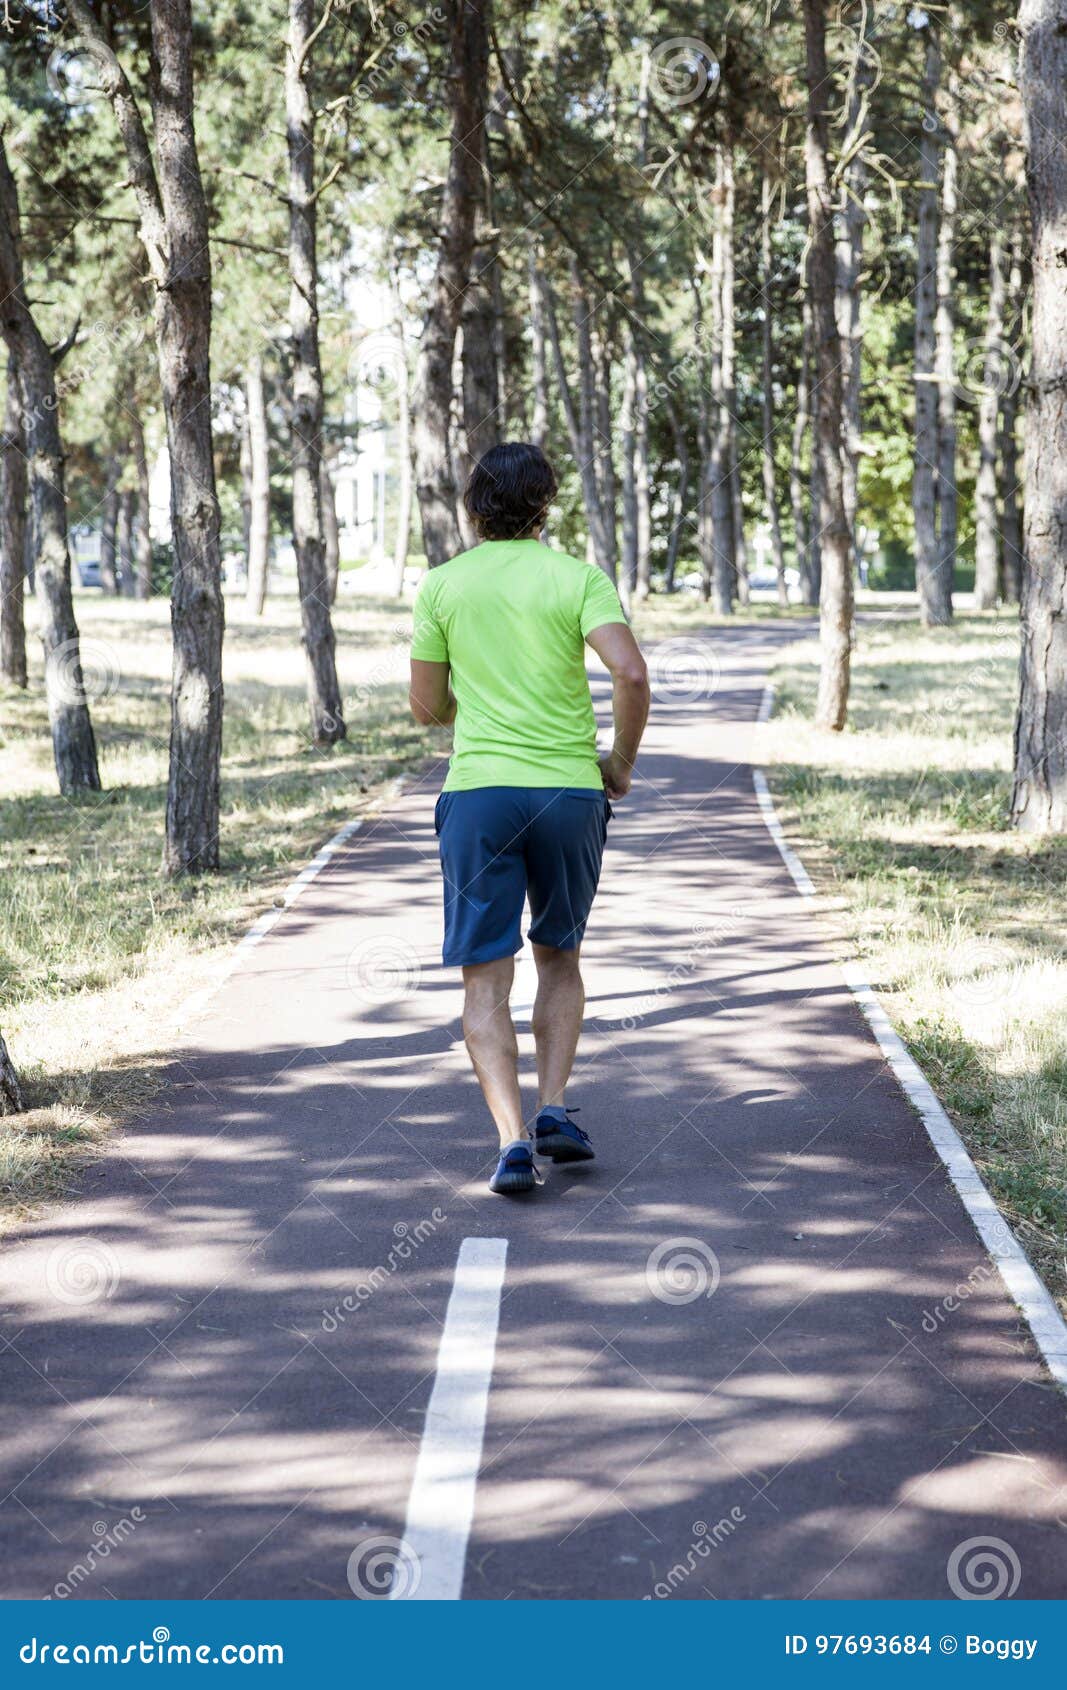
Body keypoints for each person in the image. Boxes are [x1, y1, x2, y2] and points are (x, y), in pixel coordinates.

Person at [409, 442, 650, 1196]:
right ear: (546, 503)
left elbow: (425, 708)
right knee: (559, 956)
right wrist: (619, 763)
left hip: (481, 795)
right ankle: (553, 1109)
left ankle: (511, 1142)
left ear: (472, 506)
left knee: (484, 978)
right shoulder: (577, 579)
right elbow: (631, 672)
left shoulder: (443, 585)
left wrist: (465, 698)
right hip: (568, 795)